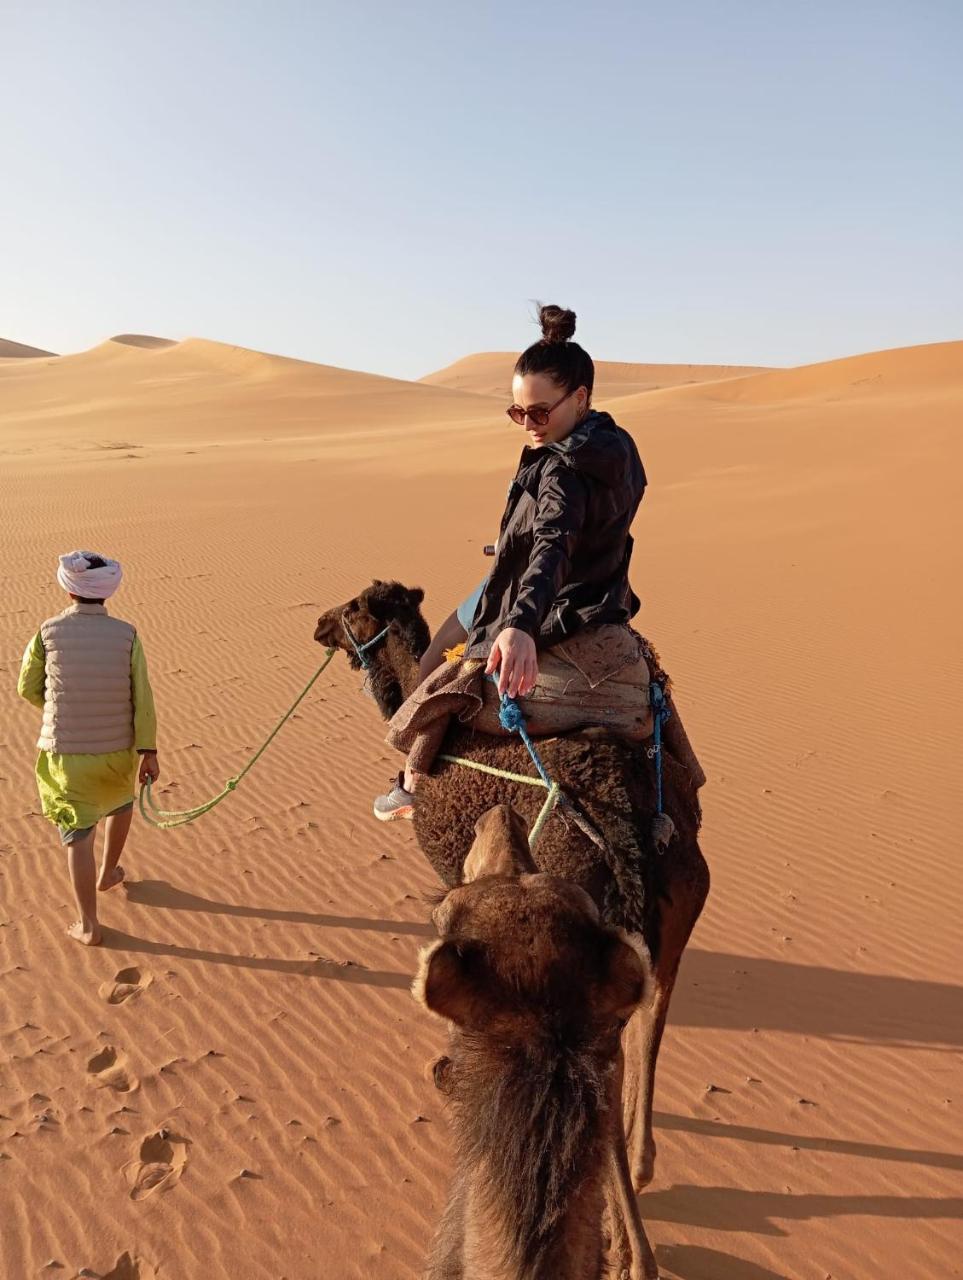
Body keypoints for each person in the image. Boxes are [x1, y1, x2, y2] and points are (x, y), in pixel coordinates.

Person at [374, 303, 647, 820]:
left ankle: (412, 783)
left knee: (439, 677)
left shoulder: (561, 468)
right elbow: (587, 528)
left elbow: (553, 542)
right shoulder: (618, 446)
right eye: (517, 413)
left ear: (580, 397)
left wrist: (520, 624)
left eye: (540, 412)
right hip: (602, 597)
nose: (528, 425)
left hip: (544, 599)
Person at [16, 551, 160, 945]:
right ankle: (109, 872)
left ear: (69, 590)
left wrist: (59, 709)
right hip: (117, 751)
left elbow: (26, 687)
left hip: (66, 754)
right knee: (121, 804)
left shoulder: (47, 632)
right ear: (107, 590)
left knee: (78, 835)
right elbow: (142, 697)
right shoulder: (127, 634)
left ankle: (89, 925)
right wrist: (148, 751)